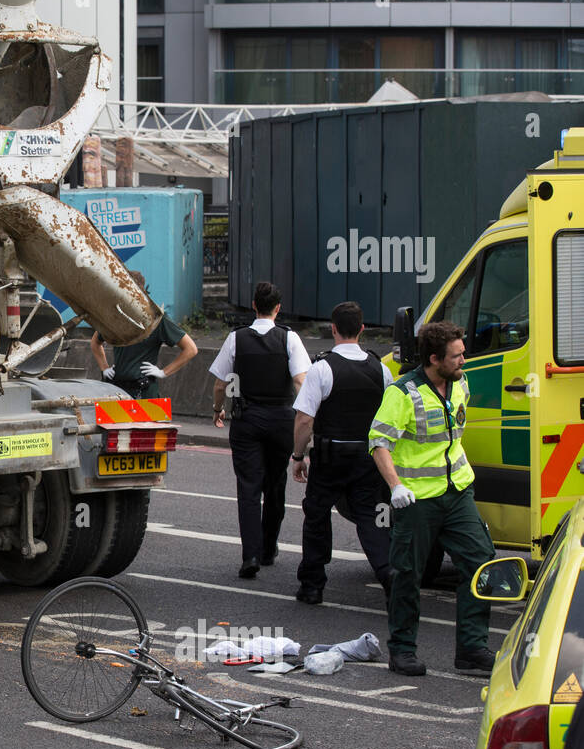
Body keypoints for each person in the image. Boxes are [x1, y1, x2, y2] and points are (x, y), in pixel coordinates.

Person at [369, 320, 495, 677]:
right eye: (456, 356)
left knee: (480, 561)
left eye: (463, 354)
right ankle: (402, 650)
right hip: (417, 500)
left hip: (457, 493)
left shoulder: (460, 383)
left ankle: (472, 649)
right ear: (435, 358)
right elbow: (379, 443)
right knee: (408, 574)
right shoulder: (403, 392)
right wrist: (396, 487)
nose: (463, 361)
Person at [290, 301, 393, 604]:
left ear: (332, 329)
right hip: (369, 457)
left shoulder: (322, 368)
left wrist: (298, 456)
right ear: (362, 329)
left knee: (318, 516)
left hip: (330, 456)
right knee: (371, 518)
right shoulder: (381, 369)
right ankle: (389, 576)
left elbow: (305, 420)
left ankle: (312, 585)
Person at [209, 282, 310, 578]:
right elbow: (301, 382)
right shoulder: (290, 339)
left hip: (247, 419)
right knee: (276, 484)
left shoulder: (236, 338)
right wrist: (305, 417)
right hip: (282, 419)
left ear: (253, 305)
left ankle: (250, 555)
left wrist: (218, 410)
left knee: (249, 488)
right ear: (278, 308)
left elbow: (219, 384)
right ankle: (268, 548)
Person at [90, 314, 197, 400]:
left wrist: (164, 372)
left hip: (145, 392)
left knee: (147, 427)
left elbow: (191, 349)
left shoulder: (157, 319)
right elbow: (95, 342)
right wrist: (104, 368)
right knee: (112, 427)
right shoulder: (115, 317)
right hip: (116, 390)